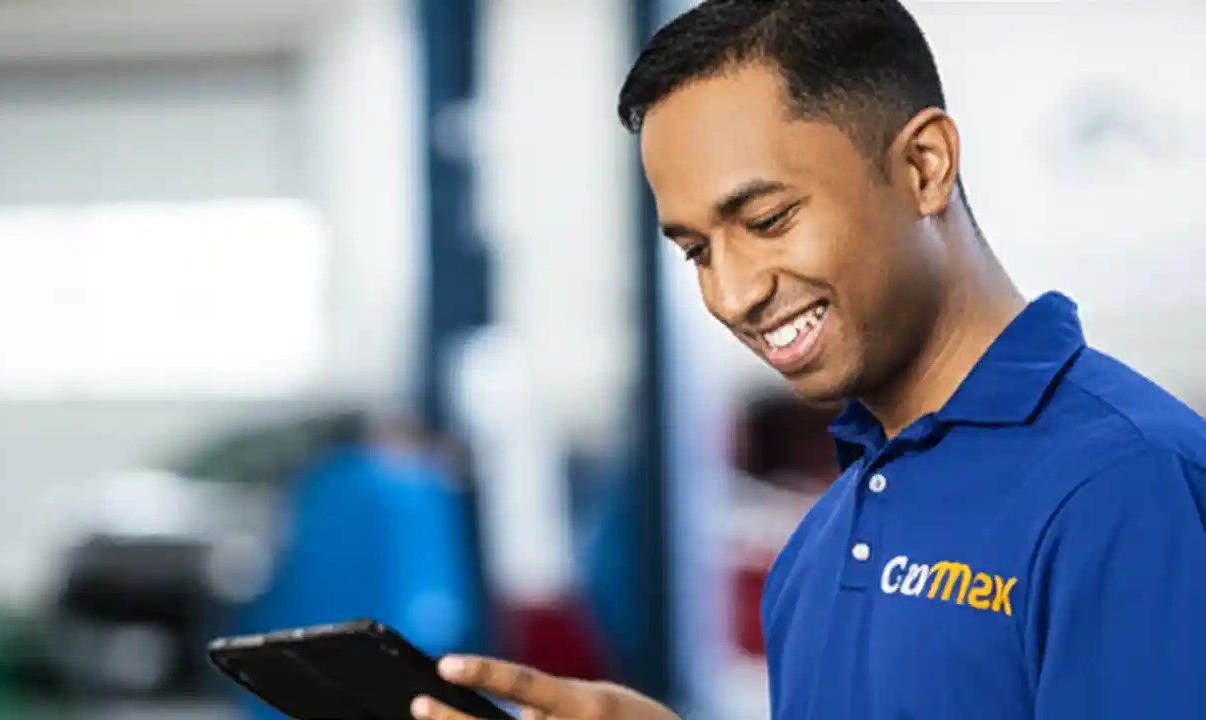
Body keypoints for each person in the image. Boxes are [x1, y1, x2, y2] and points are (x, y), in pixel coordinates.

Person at [410, 1, 1206, 718]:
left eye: (767, 218)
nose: (732, 295)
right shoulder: (821, 544)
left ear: (924, 165)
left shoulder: (1125, 485)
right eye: (696, 252)